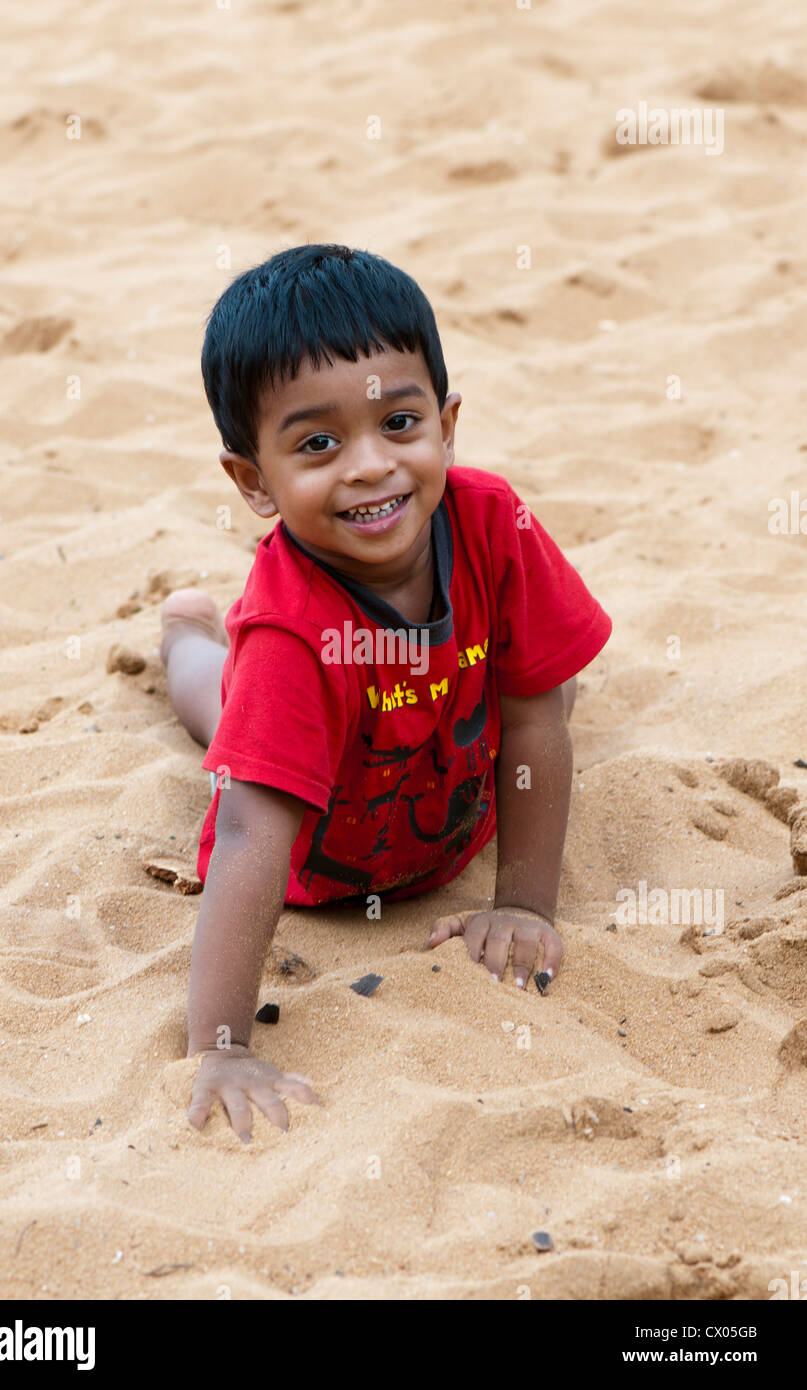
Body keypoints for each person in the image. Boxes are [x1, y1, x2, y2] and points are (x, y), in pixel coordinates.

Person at [160, 243, 612, 1142]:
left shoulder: (493, 523)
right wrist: (223, 1045)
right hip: (324, 857)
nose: (370, 466)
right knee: (221, 700)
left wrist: (522, 905)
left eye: (398, 424)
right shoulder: (292, 635)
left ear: (445, 424)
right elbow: (252, 829)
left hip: (439, 777)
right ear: (253, 480)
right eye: (318, 444)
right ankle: (185, 634)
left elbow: (528, 717)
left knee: (553, 695)